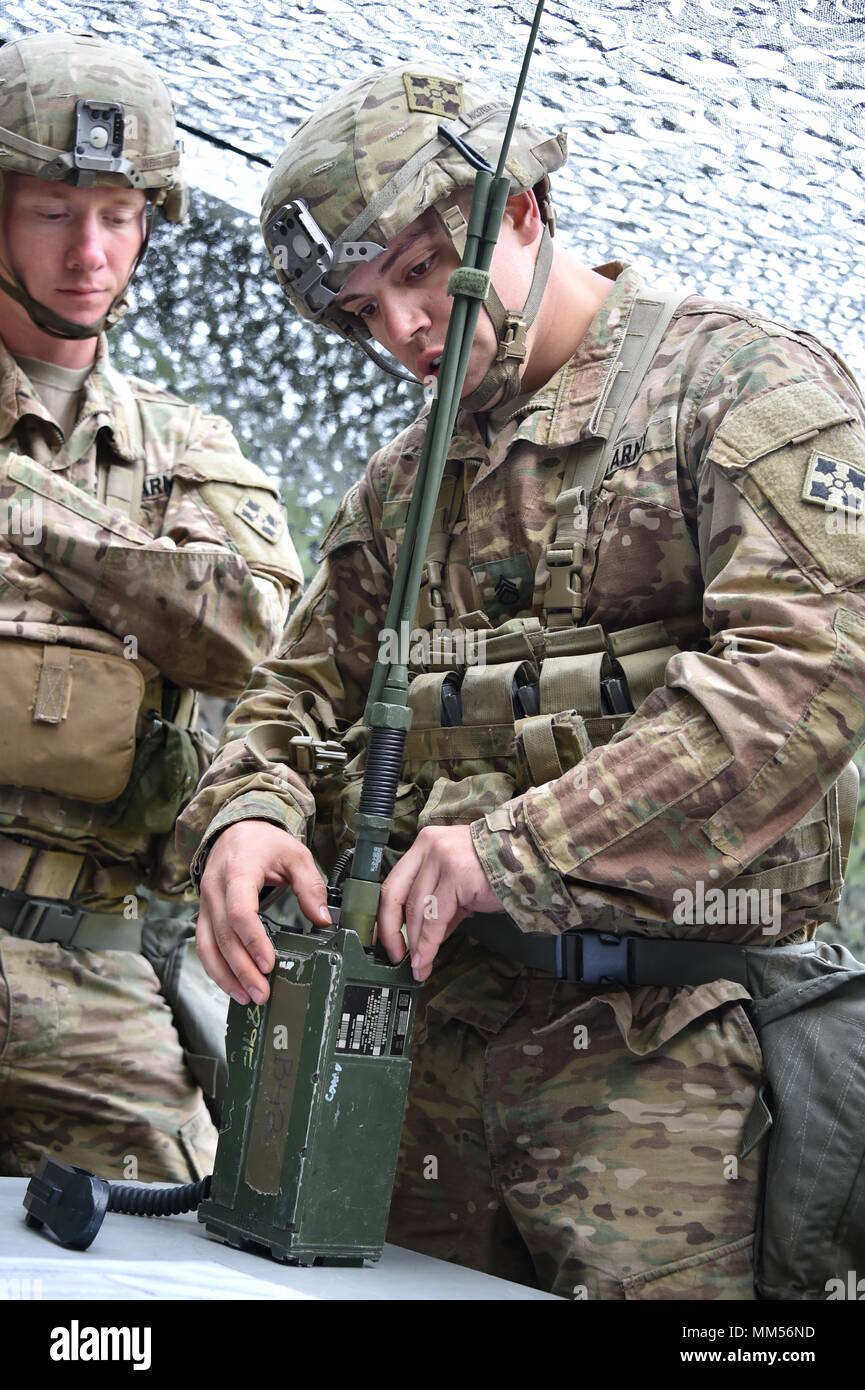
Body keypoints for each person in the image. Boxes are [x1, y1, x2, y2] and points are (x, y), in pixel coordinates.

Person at [177, 64, 865, 1297]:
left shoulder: (738, 391)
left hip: (669, 1072)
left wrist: (517, 846)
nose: (396, 329)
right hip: (418, 1068)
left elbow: (808, 673)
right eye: (355, 308)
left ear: (522, 213)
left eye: (415, 272)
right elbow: (292, 696)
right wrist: (247, 814)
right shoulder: (403, 487)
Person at [0, 31, 303, 1184]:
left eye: (121, 214)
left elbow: (242, 635)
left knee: (159, 1268)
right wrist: (138, 579)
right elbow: (186, 608)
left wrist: (31, 515)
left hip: (97, 970)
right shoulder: (172, 487)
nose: (92, 251)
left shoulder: (187, 443)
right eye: (53, 211)